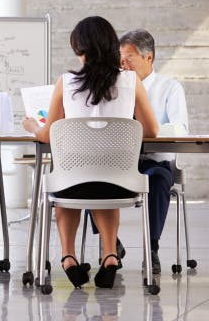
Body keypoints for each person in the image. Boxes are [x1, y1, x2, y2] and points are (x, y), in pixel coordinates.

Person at [23, 16, 158, 289]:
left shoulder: (66, 82)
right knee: (103, 174)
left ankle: (69, 257)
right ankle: (109, 254)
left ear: (79, 50)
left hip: (73, 184)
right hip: (121, 183)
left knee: (65, 176)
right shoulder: (132, 81)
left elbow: (48, 135)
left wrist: (31, 127)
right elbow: (152, 130)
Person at [118, 29, 188, 274]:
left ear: (149, 58)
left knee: (157, 179)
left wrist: (152, 130)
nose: (122, 63)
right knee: (90, 174)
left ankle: (152, 248)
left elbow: (181, 128)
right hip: (119, 162)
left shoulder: (169, 88)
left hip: (154, 161)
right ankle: (111, 244)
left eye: (129, 57)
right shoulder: (114, 86)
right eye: (120, 58)